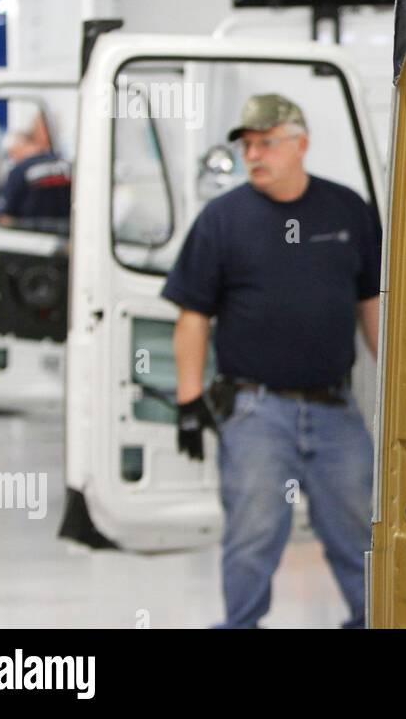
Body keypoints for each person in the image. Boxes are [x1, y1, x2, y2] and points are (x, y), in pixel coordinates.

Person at [161, 93, 382, 628]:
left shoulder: (347, 210)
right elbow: (193, 316)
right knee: (253, 536)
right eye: (248, 146)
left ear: (301, 144)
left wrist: (402, 388)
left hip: (336, 410)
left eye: (266, 143)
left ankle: (374, 619)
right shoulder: (223, 219)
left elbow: (371, 304)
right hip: (256, 411)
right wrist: (190, 402)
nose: (254, 155)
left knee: (362, 533)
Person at [0, 115, 71, 230]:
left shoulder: (20, 171)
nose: (12, 157)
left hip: (29, 239)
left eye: (12, 153)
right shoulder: (68, 167)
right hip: (66, 236)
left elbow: (3, 216)